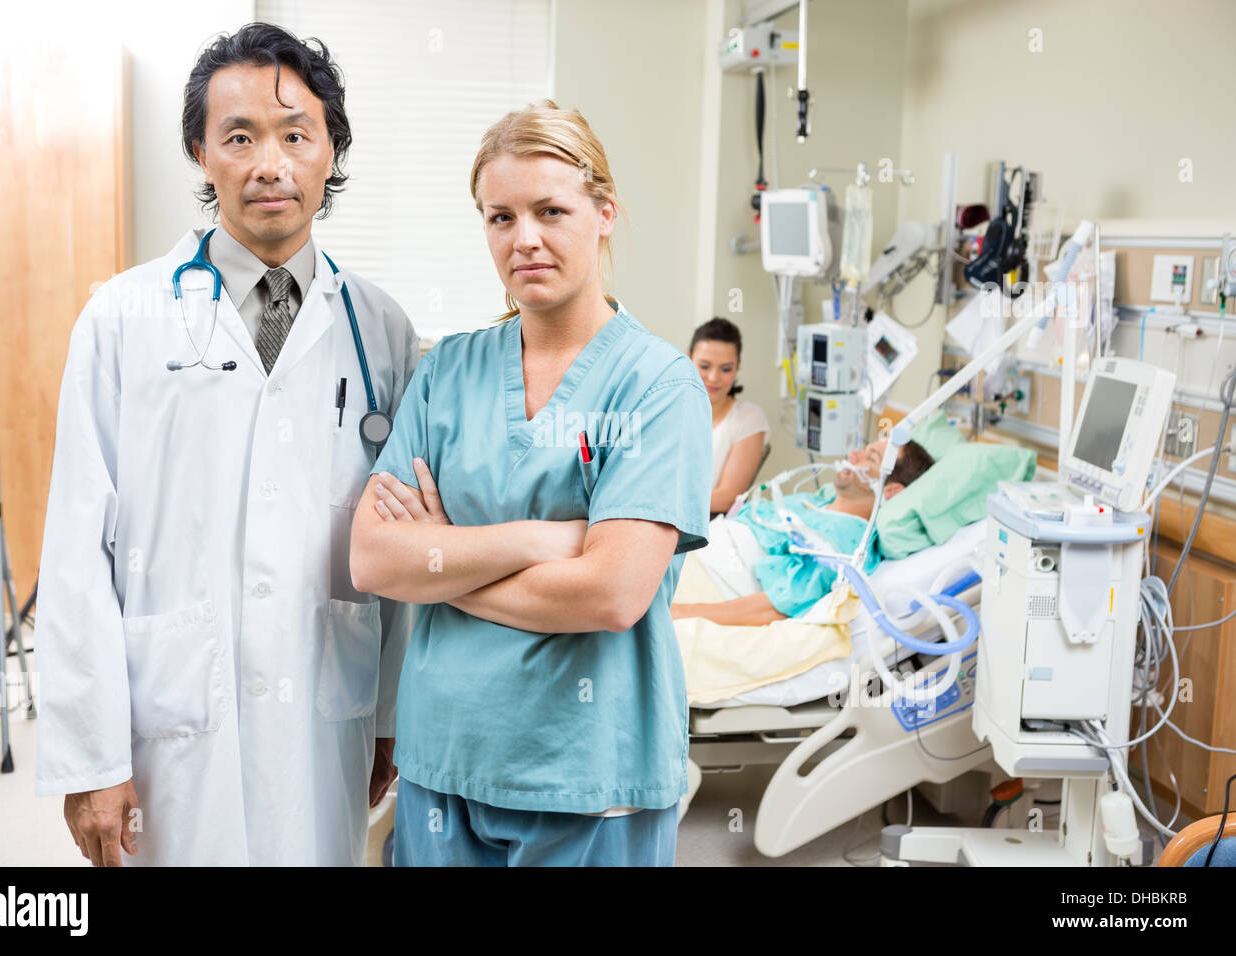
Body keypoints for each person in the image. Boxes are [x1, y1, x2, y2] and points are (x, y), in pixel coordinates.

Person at [33, 23, 419, 866]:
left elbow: (397, 540)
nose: (267, 163)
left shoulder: (381, 330)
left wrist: (391, 716)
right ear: (202, 154)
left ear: (330, 151)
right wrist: (91, 754)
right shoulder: (123, 318)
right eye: (238, 136)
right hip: (169, 728)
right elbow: (73, 550)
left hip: (330, 714)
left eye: (294, 134)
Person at [349, 101, 711, 867]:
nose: (525, 240)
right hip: (444, 764)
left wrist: (442, 563)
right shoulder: (446, 371)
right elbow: (374, 560)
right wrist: (536, 542)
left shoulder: (657, 385)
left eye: (551, 211)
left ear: (604, 212)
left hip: (587, 776)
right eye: (500, 217)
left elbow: (610, 596)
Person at [672, 438, 934, 627]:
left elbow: (780, 605)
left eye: (871, 458)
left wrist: (684, 613)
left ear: (891, 491)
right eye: (865, 449)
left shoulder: (848, 543)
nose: (854, 455)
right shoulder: (812, 501)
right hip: (686, 550)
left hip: (707, 580)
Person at [690, 318, 769, 514]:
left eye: (726, 369)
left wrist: (662, 506)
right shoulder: (669, 409)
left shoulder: (748, 418)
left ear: (738, 366)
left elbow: (727, 498)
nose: (714, 377)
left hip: (704, 528)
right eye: (705, 366)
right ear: (688, 358)